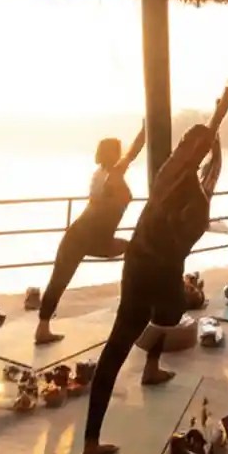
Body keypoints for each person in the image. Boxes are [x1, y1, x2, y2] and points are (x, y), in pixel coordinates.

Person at [70, 81, 228, 454]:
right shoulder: (196, 198)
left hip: (139, 269)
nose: (181, 150)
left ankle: (93, 441)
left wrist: (217, 118)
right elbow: (209, 164)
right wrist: (219, 120)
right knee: (168, 313)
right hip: (160, 278)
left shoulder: (167, 174)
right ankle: (147, 368)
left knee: (120, 345)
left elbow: (200, 153)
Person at [36, 124, 146, 343]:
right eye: (118, 150)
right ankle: (42, 330)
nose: (122, 154)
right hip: (84, 237)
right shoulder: (112, 174)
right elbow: (133, 152)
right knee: (59, 280)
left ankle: (43, 328)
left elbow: (130, 155)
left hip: (93, 237)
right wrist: (145, 130)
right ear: (112, 154)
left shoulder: (102, 173)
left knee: (134, 250)